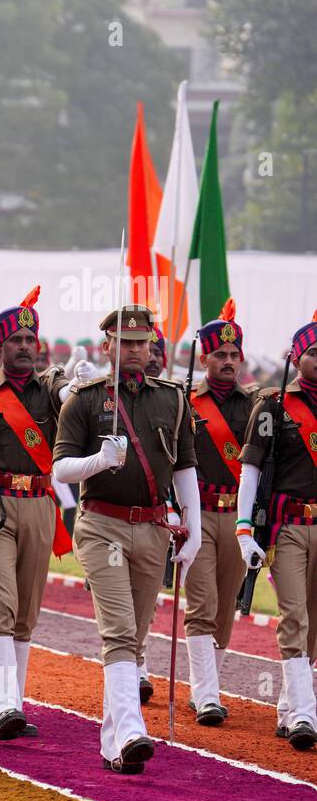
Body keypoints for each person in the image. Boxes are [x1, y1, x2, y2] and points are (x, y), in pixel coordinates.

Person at [54, 304, 200, 774]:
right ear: (107, 346)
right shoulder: (85, 399)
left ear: (152, 345)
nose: (135, 350)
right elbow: (60, 468)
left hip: (154, 527)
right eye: (125, 342)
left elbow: (184, 468)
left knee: (135, 636)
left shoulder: (173, 399)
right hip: (103, 525)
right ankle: (133, 730)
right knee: (117, 629)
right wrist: (99, 459)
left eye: (142, 342)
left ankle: (113, 742)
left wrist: (193, 529)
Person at [0, 288, 90, 741]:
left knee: (26, 608)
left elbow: (65, 392)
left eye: (31, 339)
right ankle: (4, 704)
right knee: (0, 603)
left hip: (41, 505)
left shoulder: (49, 387)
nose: (24, 346)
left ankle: (15, 701)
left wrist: (81, 385)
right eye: (15, 340)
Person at [236, 310, 317, 751]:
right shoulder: (274, 405)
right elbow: (251, 470)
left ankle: (289, 707)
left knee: (316, 625)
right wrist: (245, 527)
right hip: (289, 527)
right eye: (314, 351)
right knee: (294, 616)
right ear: (297, 356)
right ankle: (306, 713)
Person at [182, 302, 259, 726]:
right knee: (203, 602)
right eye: (220, 355)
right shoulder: (186, 402)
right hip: (198, 512)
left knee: (227, 604)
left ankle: (209, 685)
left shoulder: (257, 406)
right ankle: (206, 694)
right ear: (203, 358)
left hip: (239, 517)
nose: (228, 362)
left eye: (234, 355)